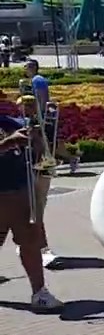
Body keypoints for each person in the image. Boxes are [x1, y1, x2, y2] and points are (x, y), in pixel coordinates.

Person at [0, 112, 62, 311]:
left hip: (18, 191)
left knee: (29, 242)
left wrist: (35, 135)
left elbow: (28, 142)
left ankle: (39, 293)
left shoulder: (7, 120)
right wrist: (6, 143)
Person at [17, 96, 62, 270]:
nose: (27, 108)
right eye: (24, 105)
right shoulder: (17, 124)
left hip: (41, 171)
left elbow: (53, 144)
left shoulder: (44, 123)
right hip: (24, 173)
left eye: (30, 105)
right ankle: (40, 248)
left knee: (38, 210)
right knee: (32, 213)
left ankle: (38, 247)